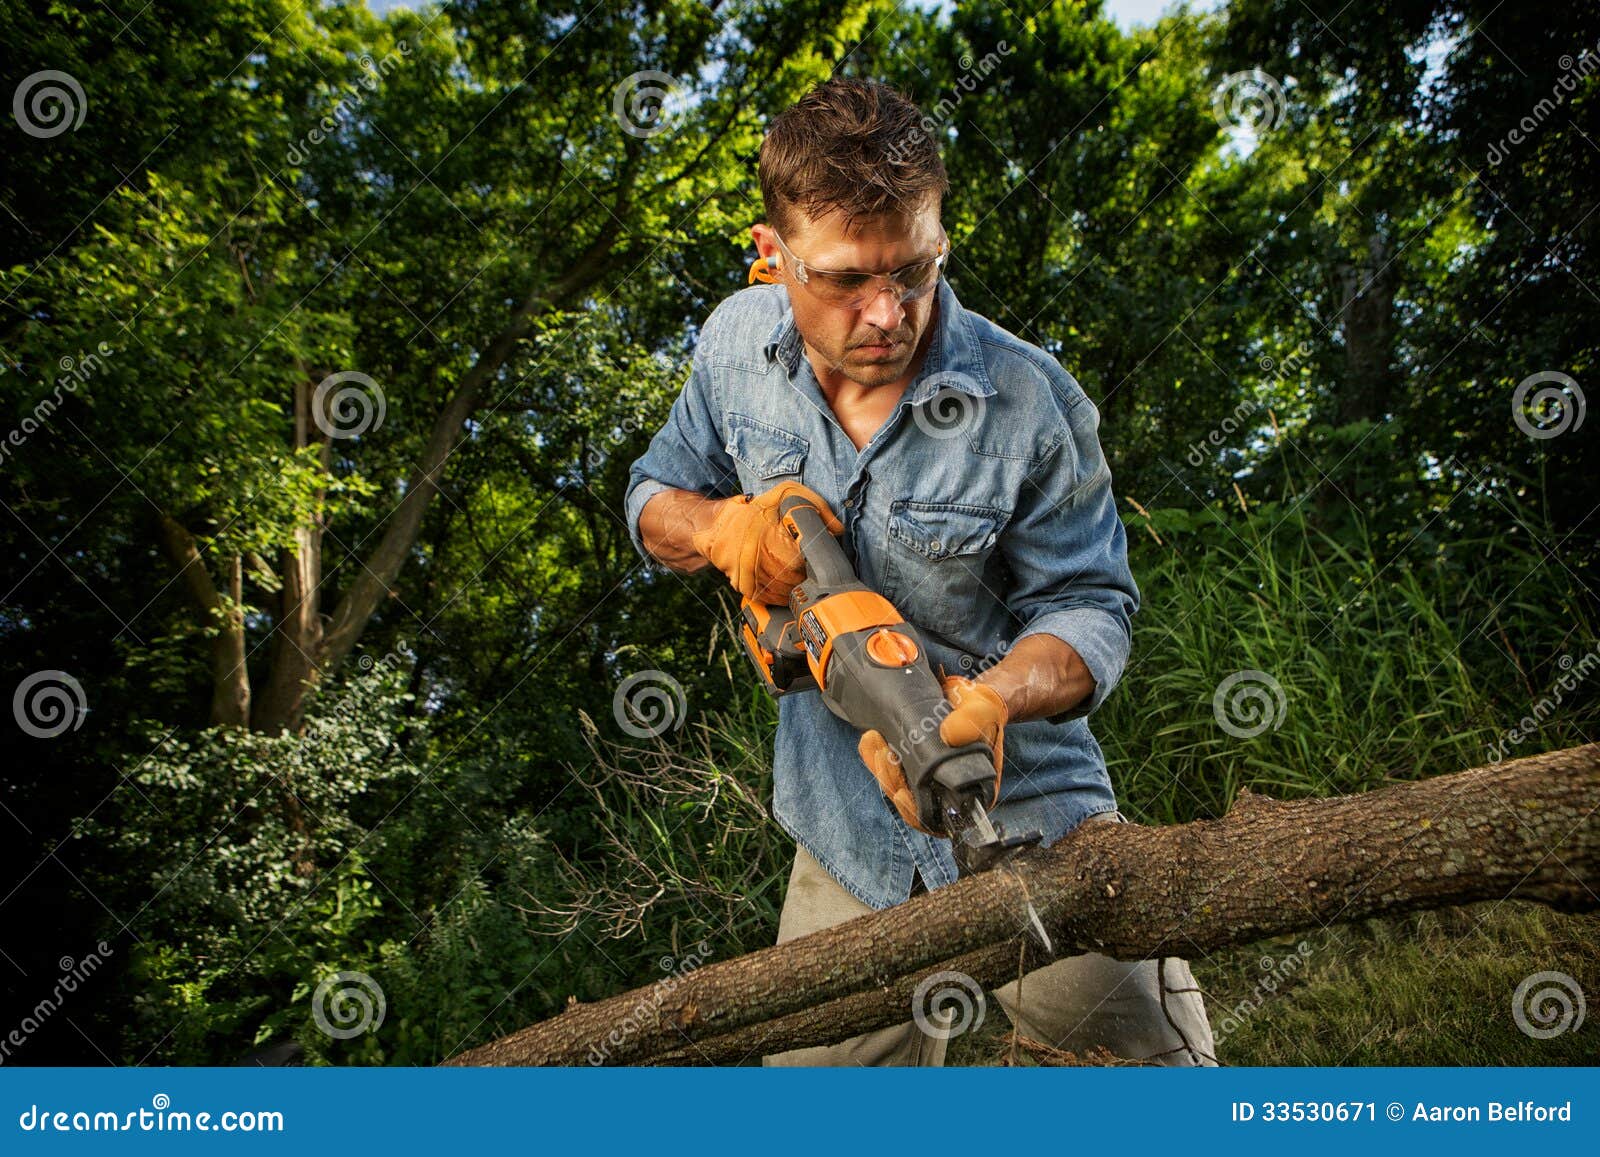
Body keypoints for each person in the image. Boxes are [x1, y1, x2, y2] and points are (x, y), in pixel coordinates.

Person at [625, 77, 1216, 1066]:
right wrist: (725, 530)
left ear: (939, 235)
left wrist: (993, 698)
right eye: (845, 280)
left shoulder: (1029, 401)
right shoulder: (731, 348)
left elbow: (1091, 606)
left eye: (915, 269)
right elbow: (652, 496)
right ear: (771, 258)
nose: (886, 312)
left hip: (1032, 820)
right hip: (844, 840)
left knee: (1165, 1082)